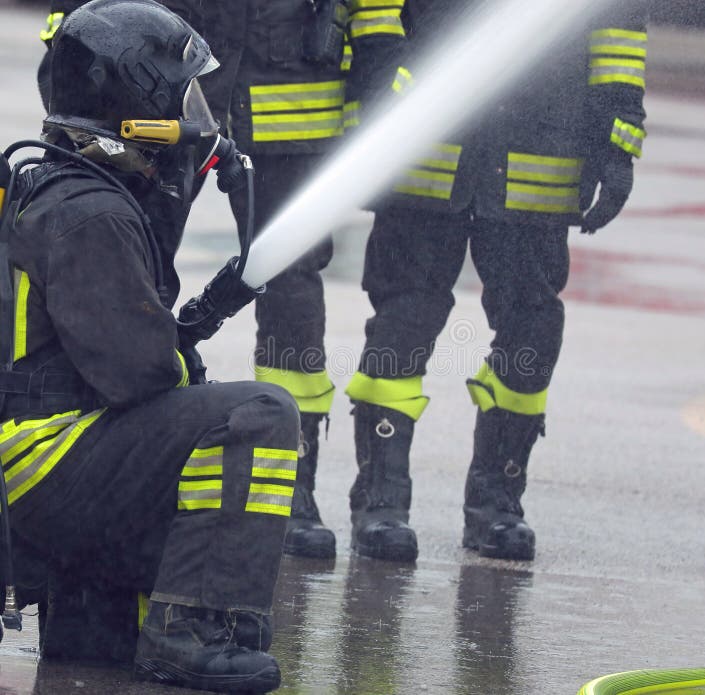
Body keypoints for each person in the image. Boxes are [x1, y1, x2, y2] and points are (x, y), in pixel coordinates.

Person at [0, 1, 301, 691]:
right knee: (254, 414)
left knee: (179, 423)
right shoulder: (93, 214)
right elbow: (138, 373)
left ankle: (106, 624)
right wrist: (179, 355)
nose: (197, 118)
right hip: (43, 466)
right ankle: (194, 627)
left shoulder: (50, 188)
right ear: (132, 105)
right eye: (183, 95)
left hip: (33, 463)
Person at [344, 0, 648, 562]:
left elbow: (617, 32)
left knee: (533, 326)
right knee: (404, 317)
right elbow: (375, 12)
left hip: (541, 148)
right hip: (430, 142)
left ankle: (497, 501)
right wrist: (387, 79)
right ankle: (380, 500)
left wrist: (617, 139)